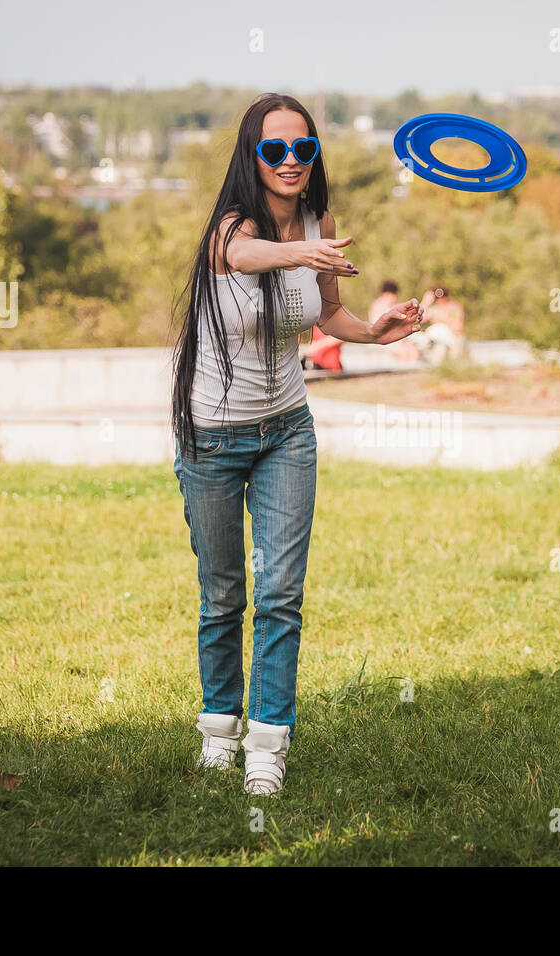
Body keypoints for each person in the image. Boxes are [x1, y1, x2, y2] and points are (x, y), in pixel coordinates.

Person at [169, 93, 422, 795]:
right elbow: (235, 255)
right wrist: (298, 251)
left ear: (315, 157)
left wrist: (377, 332)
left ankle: (267, 747)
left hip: (288, 430)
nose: (289, 160)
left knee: (281, 594)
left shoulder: (321, 223)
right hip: (214, 436)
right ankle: (218, 730)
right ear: (252, 155)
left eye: (302, 148)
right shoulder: (232, 228)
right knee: (223, 594)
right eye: (275, 148)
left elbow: (328, 311)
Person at [418, 284, 466, 360]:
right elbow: (419, 319)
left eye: (443, 296)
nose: (440, 300)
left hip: (452, 339)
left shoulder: (454, 307)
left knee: (440, 331)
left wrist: (442, 319)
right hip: (437, 341)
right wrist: (425, 302)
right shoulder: (434, 309)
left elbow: (457, 328)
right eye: (437, 298)